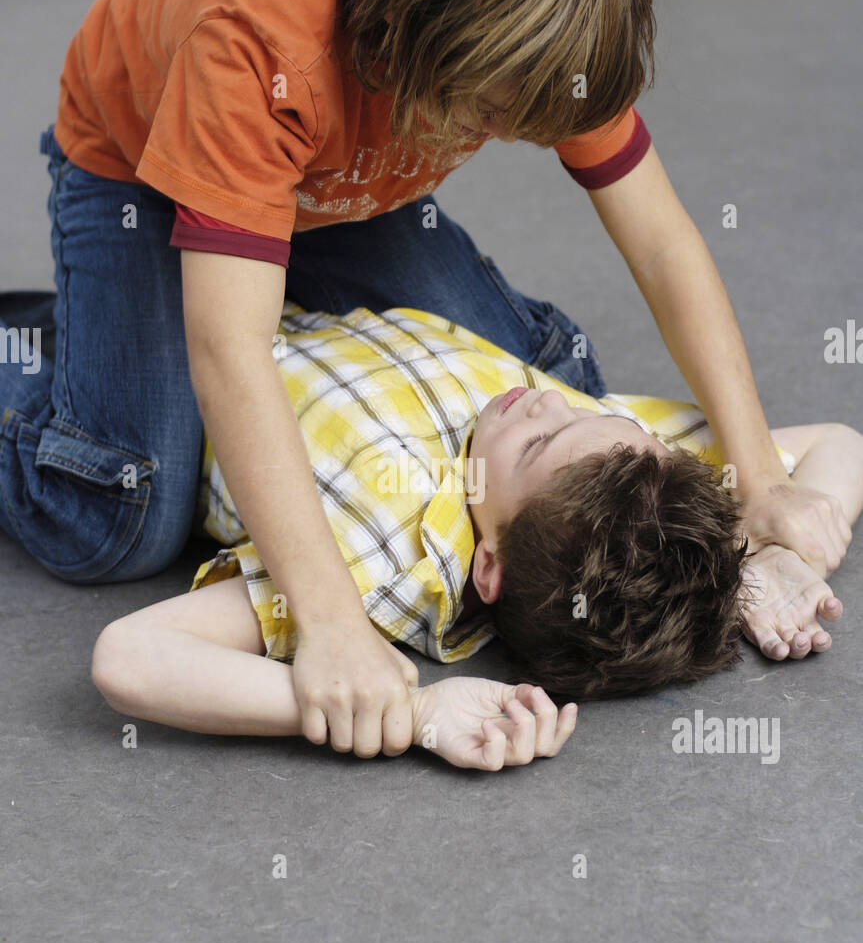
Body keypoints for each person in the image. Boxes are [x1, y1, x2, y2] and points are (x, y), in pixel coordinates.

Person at [1, 0, 850, 759]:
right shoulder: (258, 39)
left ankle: (120, 332)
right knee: (120, 516)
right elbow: (228, 348)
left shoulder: (552, 17)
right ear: (420, 29)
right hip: (137, 178)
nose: (509, 137)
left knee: (541, 384)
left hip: (338, 187)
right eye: (492, 117)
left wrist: (760, 487)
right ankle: (63, 355)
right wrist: (329, 626)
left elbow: (660, 239)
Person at [90, 300, 863, 771]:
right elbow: (840, 441)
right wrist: (768, 551)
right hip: (312, 281)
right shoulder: (633, 469)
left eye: (533, 448)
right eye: (583, 410)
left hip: (170, 350)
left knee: (108, 507)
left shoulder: (385, 562)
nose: (538, 403)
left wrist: (409, 712)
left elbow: (131, 657)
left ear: (486, 564)